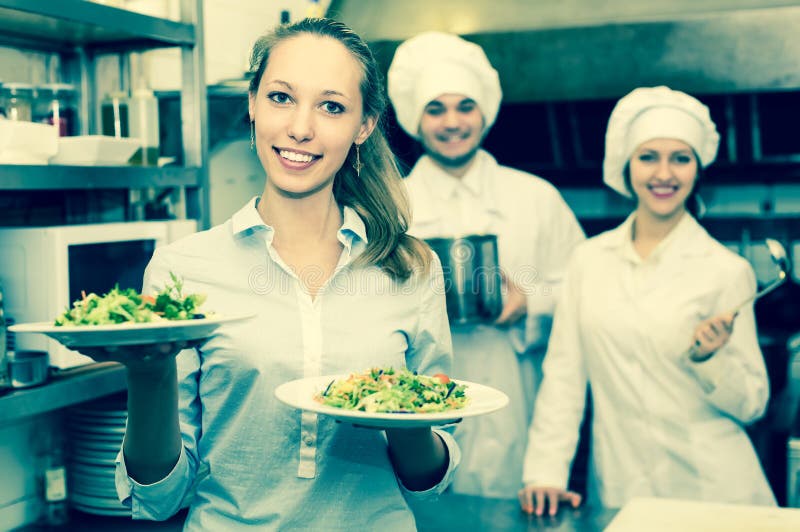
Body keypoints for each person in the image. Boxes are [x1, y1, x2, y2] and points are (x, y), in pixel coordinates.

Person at [81, 18, 460, 530]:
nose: (300, 127)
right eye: (281, 97)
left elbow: (428, 481)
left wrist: (404, 418)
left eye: (331, 106)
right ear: (253, 104)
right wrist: (148, 374)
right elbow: (161, 496)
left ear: (364, 126)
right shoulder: (183, 270)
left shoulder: (411, 267)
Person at [519, 86, 776, 516]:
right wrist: (545, 472)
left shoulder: (725, 270)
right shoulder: (588, 261)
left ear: (697, 169)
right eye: (649, 157)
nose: (664, 173)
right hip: (623, 487)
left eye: (681, 158)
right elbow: (564, 377)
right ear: (627, 164)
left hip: (715, 490)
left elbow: (753, 403)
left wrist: (710, 359)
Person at [387, 32, 585, 498]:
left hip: (514, 388)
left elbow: (586, 290)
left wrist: (530, 302)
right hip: (418, 397)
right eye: (436, 109)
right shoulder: (392, 206)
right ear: (416, 119)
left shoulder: (535, 198)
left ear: (485, 113)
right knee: (424, 506)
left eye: (465, 107)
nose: (452, 122)